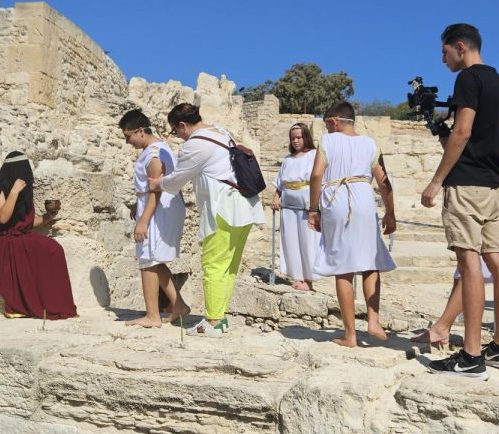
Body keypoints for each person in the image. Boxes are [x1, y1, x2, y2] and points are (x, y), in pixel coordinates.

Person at [421, 23, 499, 379]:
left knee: (470, 265)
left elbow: (462, 131)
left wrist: (436, 181)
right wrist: (483, 142)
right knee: (498, 261)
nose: (443, 58)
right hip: (494, 187)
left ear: (460, 47)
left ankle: (471, 355)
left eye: (445, 52)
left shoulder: (468, 80)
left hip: (466, 184)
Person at [149, 103, 264, 337]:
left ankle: (212, 322)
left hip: (223, 209)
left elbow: (177, 179)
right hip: (245, 207)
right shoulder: (221, 131)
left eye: (175, 131)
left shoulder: (194, 145)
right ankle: (220, 318)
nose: (177, 137)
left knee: (213, 265)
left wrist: (157, 184)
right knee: (229, 267)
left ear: (182, 125)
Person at [414, 149, 499, 348]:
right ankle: (445, 328)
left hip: (492, 211)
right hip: (489, 207)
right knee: (466, 271)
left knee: (470, 270)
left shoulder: (496, 152)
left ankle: (448, 332)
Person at [308, 102, 397, 348]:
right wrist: (391, 213)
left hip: (337, 199)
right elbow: (384, 182)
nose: (327, 128)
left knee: (343, 267)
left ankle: (350, 334)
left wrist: (313, 209)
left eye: (327, 123)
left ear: (335, 121)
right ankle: (374, 321)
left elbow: (316, 175)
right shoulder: (370, 143)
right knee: (370, 262)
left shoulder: (328, 140)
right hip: (364, 199)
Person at [0, 150, 77, 320]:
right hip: (0, 242)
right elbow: (3, 218)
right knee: (40, 250)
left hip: (18, 237)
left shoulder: (24, 192)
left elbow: (25, 223)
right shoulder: (0, 190)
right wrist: (14, 192)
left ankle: (51, 303)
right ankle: (23, 306)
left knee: (54, 249)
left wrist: (48, 217)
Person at [118, 109, 188, 328]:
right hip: (155, 206)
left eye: (128, 136)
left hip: (158, 209)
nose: (127, 141)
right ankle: (179, 305)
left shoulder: (154, 155)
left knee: (147, 259)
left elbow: (155, 191)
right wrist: (137, 208)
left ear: (140, 131)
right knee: (153, 258)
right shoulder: (156, 149)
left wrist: (143, 220)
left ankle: (152, 316)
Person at [271, 123, 322, 290]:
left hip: (306, 204)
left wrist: (315, 204)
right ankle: (298, 276)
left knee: (308, 241)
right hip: (288, 205)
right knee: (291, 239)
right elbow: (280, 183)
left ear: (305, 137)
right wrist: (276, 197)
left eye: (299, 137)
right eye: (293, 138)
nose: (295, 141)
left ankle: (308, 279)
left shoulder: (314, 155)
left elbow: (318, 178)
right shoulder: (287, 159)